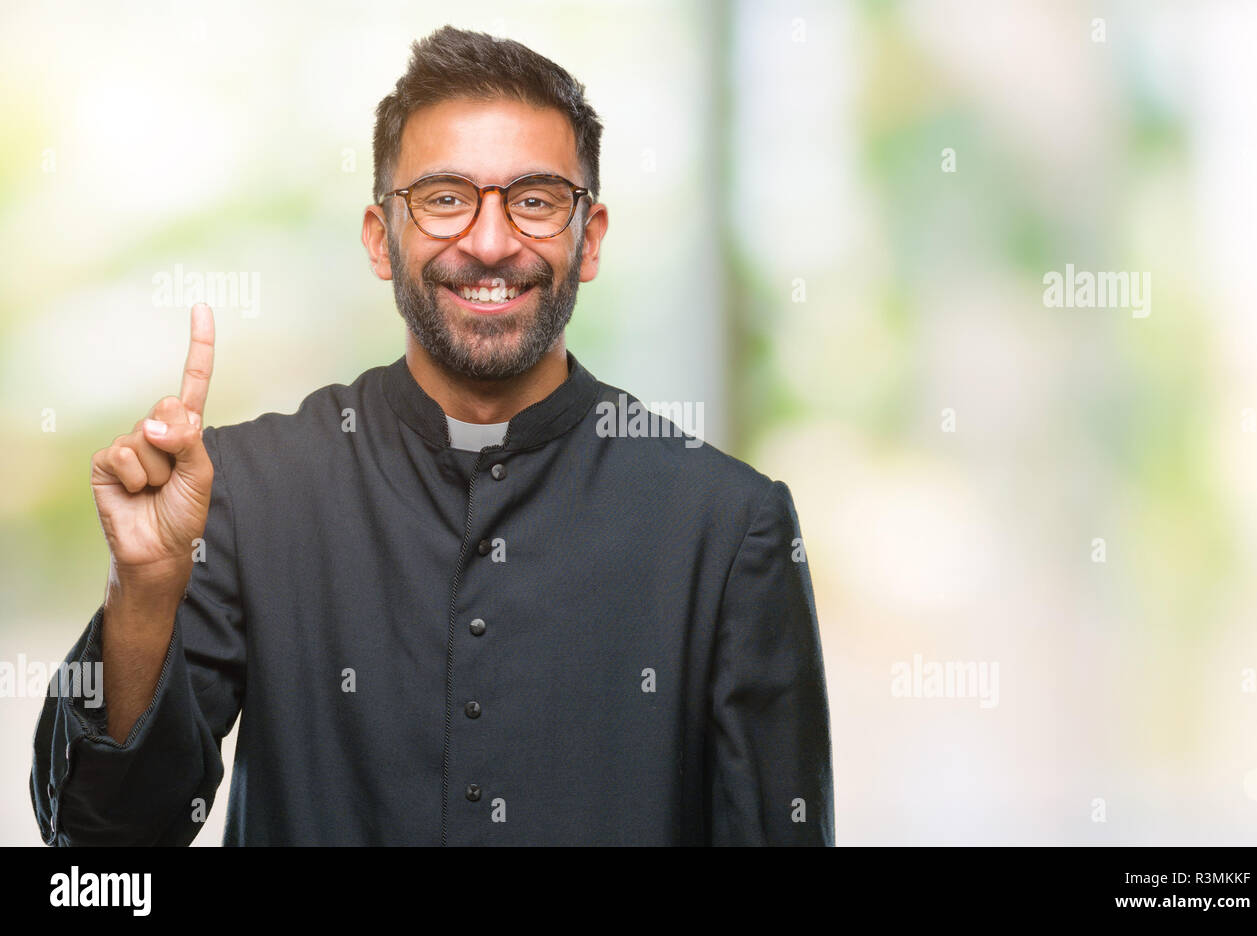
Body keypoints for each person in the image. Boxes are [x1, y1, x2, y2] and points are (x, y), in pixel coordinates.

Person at [31, 25, 833, 846]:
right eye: (446, 198)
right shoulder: (244, 494)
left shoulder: (729, 525)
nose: (489, 243)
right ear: (383, 238)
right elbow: (102, 851)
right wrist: (144, 592)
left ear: (587, 240)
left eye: (535, 199)